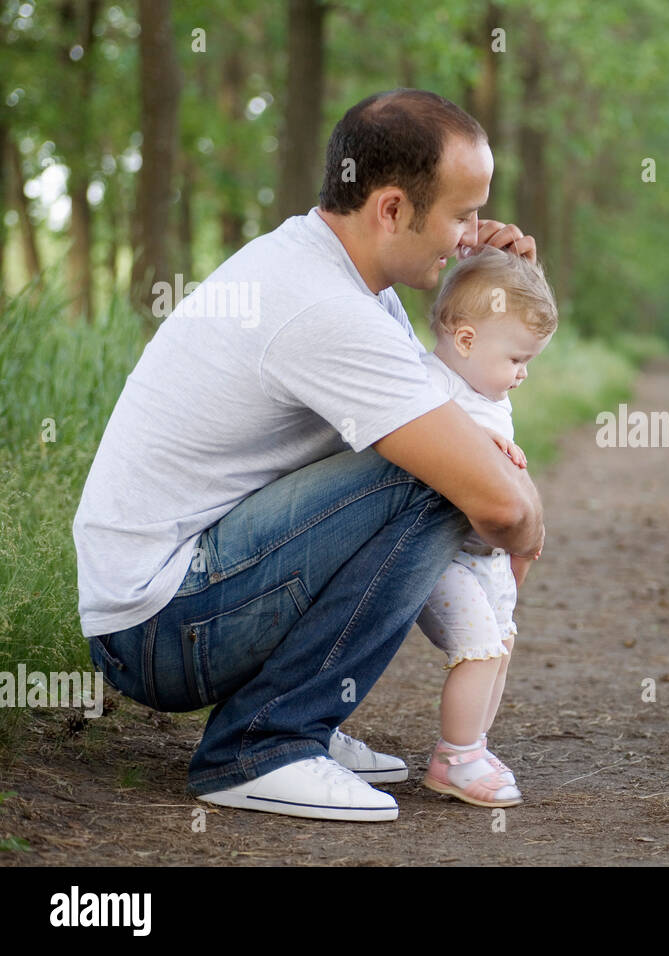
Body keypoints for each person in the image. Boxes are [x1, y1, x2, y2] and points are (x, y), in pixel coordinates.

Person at [72, 89, 544, 823]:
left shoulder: (337, 270)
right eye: (461, 214)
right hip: (160, 625)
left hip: (174, 600)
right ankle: (263, 744)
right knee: (431, 478)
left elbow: (443, 400)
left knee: (435, 453)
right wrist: (531, 528)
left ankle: (299, 718)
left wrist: (487, 292)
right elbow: (496, 501)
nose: (474, 232)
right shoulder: (324, 306)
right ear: (390, 209)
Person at [411, 246, 556, 808]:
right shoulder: (431, 383)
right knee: (476, 649)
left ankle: (475, 743)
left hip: (488, 556)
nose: (522, 374)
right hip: (443, 554)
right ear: (466, 340)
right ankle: (454, 756)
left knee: (500, 645)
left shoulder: (489, 390)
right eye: (517, 359)